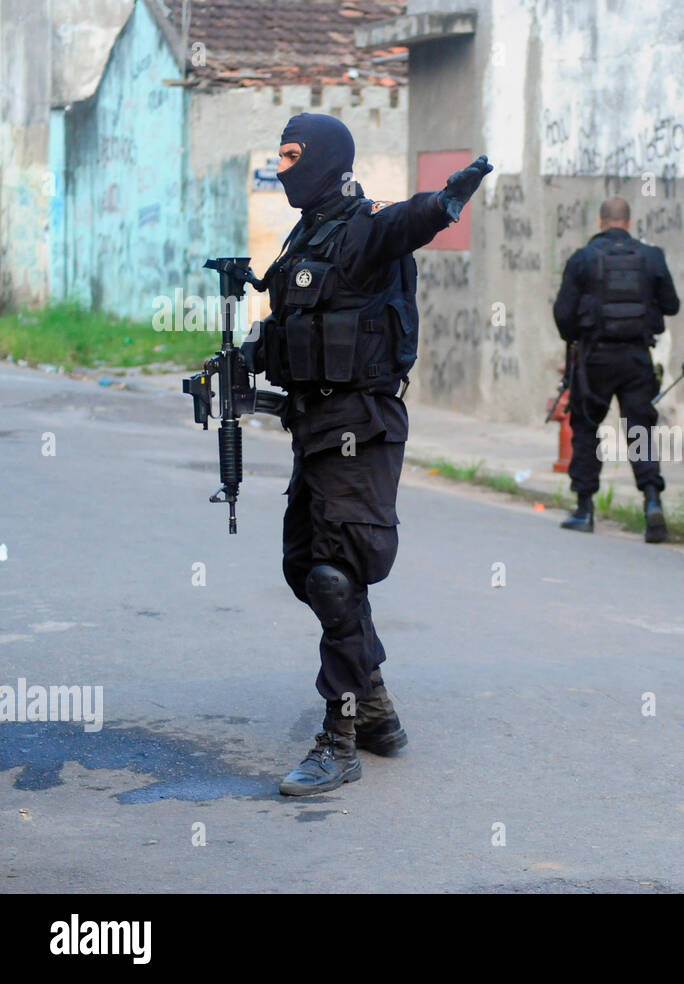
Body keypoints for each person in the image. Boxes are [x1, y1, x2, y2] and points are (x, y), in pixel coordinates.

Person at [240, 113, 492, 794]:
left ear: (323, 158)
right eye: (279, 155)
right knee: (305, 567)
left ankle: (341, 738)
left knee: (334, 572)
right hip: (314, 423)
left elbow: (406, 223)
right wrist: (243, 360)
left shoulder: (363, 224)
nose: (283, 166)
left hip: (360, 422)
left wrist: (444, 202)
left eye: (293, 155)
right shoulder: (307, 234)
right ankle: (375, 705)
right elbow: (297, 326)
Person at [552, 196, 681, 541]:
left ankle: (584, 509)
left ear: (600, 222)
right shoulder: (651, 257)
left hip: (595, 359)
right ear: (629, 221)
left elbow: (563, 314)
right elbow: (672, 304)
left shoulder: (583, 259)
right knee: (640, 431)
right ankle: (652, 502)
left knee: (587, 429)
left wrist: (577, 340)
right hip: (637, 358)